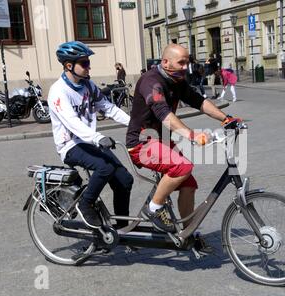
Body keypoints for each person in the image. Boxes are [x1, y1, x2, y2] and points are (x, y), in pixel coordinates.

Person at [126, 44, 241, 252]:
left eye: (187, 62)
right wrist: (191, 134)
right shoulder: (151, 82)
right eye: (181, 62)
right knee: (182, 167)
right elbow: (162, 113)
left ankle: (188, 234)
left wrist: (226, 119)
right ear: (165, 62)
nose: (185, 67)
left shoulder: (177, 80)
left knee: (189, 184)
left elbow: (198, 101)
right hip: (141, 144)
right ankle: (154, 208)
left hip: (161, 141)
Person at [48, 41, 134, 230]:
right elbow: (72, 122)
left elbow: (108, 108)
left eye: (88, 62)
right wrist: (97, 138)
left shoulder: (88, 85)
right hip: (70, 145)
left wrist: (134, 123)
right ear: (69, 65)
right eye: (84, 63)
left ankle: (122, 229)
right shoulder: (58, 91)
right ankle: (85, 203)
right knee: (104, 167)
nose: (89, 66)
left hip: (89, 142)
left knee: (125, 180)